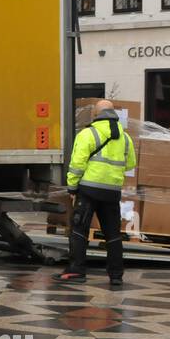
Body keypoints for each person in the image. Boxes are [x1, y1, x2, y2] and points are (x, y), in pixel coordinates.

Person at [56, 100, 137, 286]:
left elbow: (77, 164)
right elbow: (131, 164)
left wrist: (72, 187)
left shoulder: (88, 134)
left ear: (95, 114)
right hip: (112, 193)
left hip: (89, 190)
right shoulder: (125, 138)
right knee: (113, 234)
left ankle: (77, 271)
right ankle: (116, 275)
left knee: (79, 229)